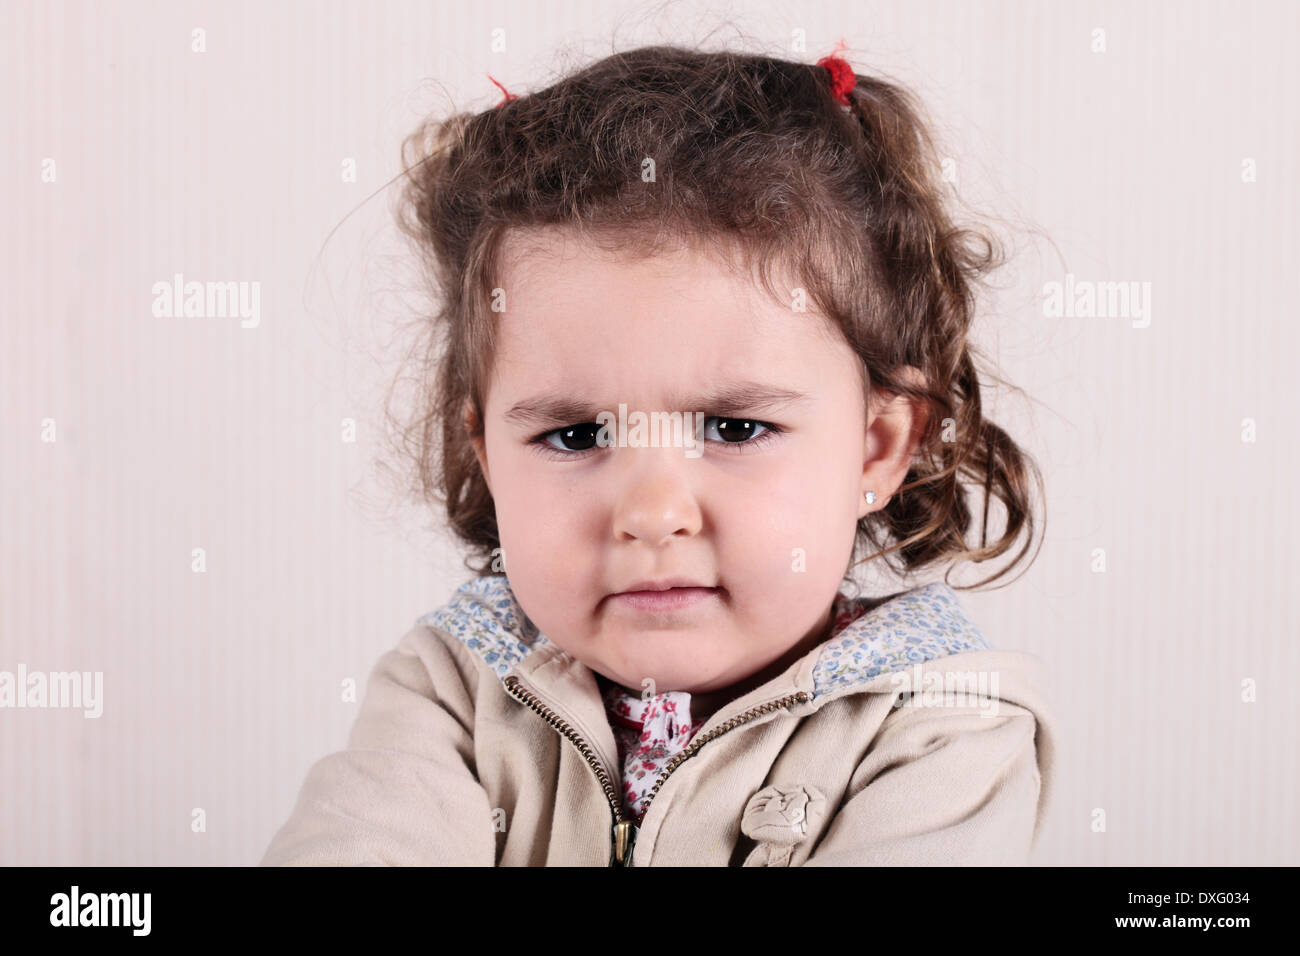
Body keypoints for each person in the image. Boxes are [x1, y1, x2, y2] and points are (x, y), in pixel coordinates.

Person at [262, 42, 1053, 866]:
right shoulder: (454, 691)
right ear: (489, 458)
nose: (652, 513)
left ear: (878, 448)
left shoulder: (939, 731)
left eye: (733, 428)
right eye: (575, 436)